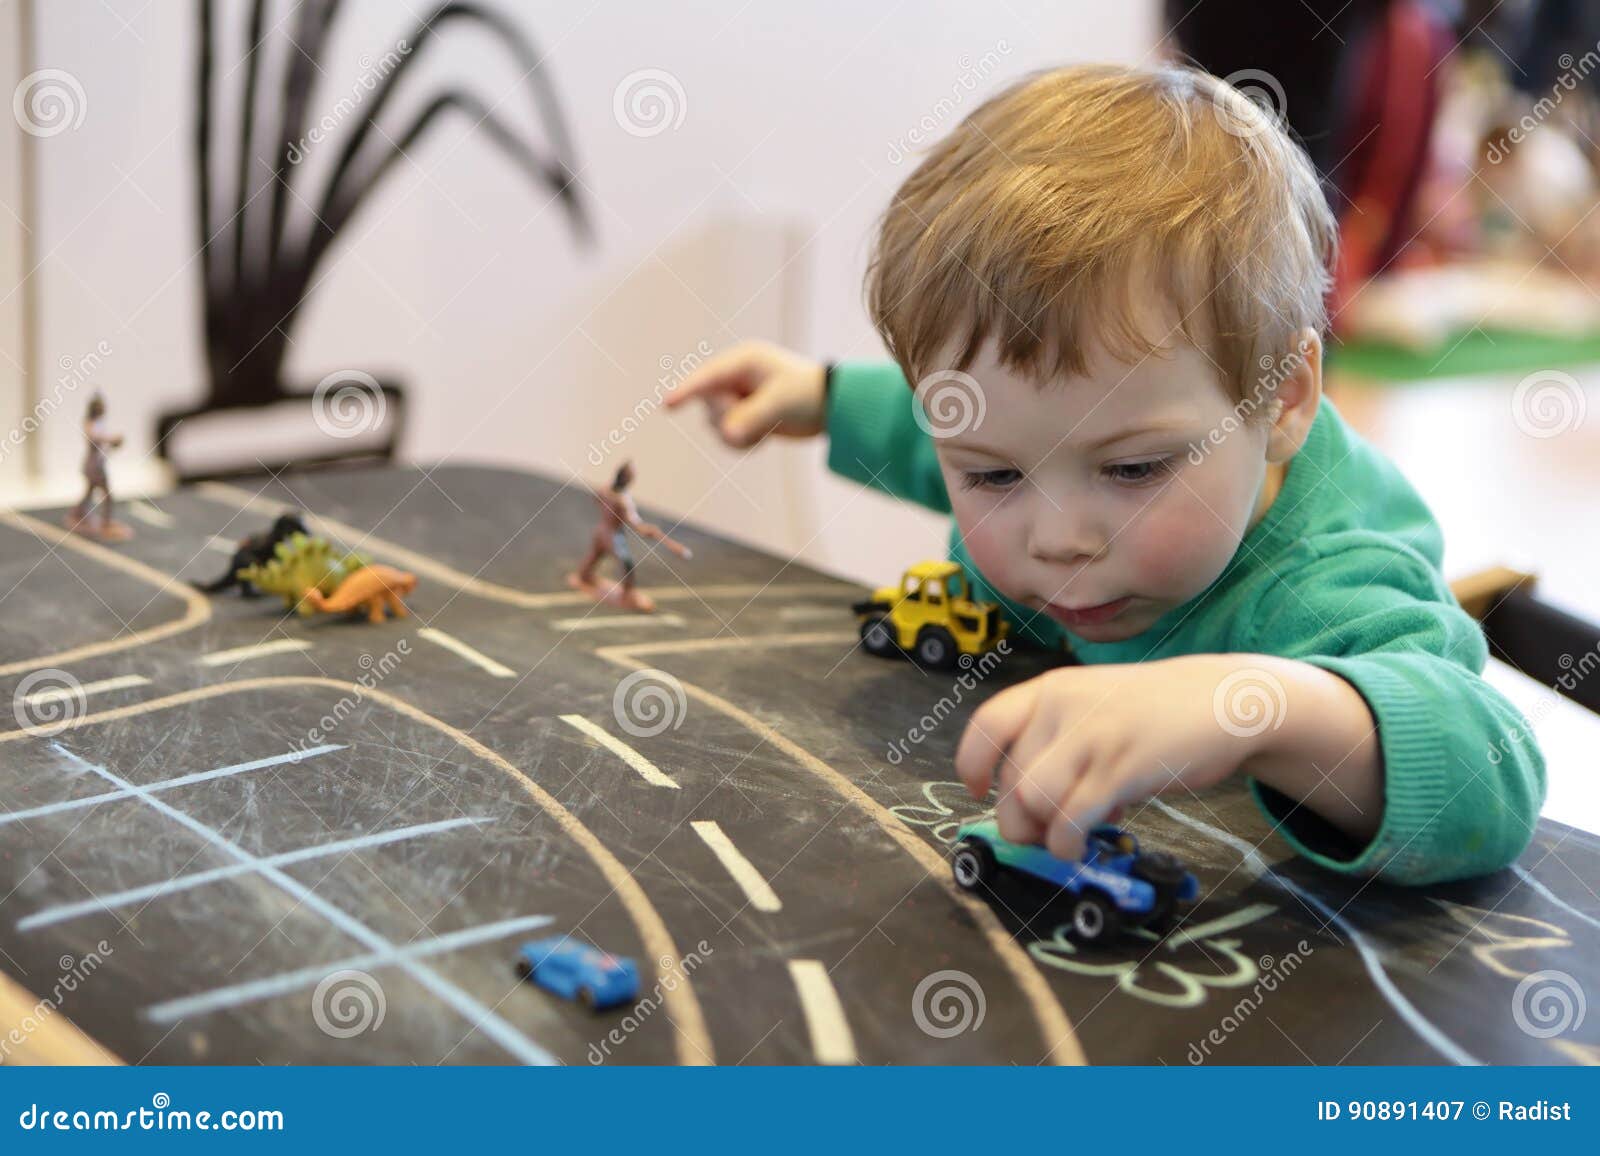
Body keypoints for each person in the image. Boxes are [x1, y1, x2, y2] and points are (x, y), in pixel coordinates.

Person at [666, 64, 1545, 886]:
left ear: (1282, 402)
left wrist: (1249, 707)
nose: (1058, 538)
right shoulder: (1051, 435)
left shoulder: (1324, 585)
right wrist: (820, 396)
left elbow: (1493, 775)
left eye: (1132, 469)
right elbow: (939, 425)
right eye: (995, 479)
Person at [568, 461, 693, 613]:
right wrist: (649, 530)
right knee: (626, 564)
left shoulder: (604, 490)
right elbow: (635, 524)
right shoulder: (622, 501)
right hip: (612, 535)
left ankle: (584, 575)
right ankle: (627, 593)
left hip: (600, 531)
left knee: (595, 555)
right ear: (626, 479)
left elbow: (597, 499)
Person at [67, 392, 131, 541]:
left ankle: (78, 513)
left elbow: (102, 444)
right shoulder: (89, 423)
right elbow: (94, 438)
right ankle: (106, 523)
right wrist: (111, 439)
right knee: (107, 495)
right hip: (94, 466)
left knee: (89, 492)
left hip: (97, 463)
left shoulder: (99, 423)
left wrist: (114, 444)